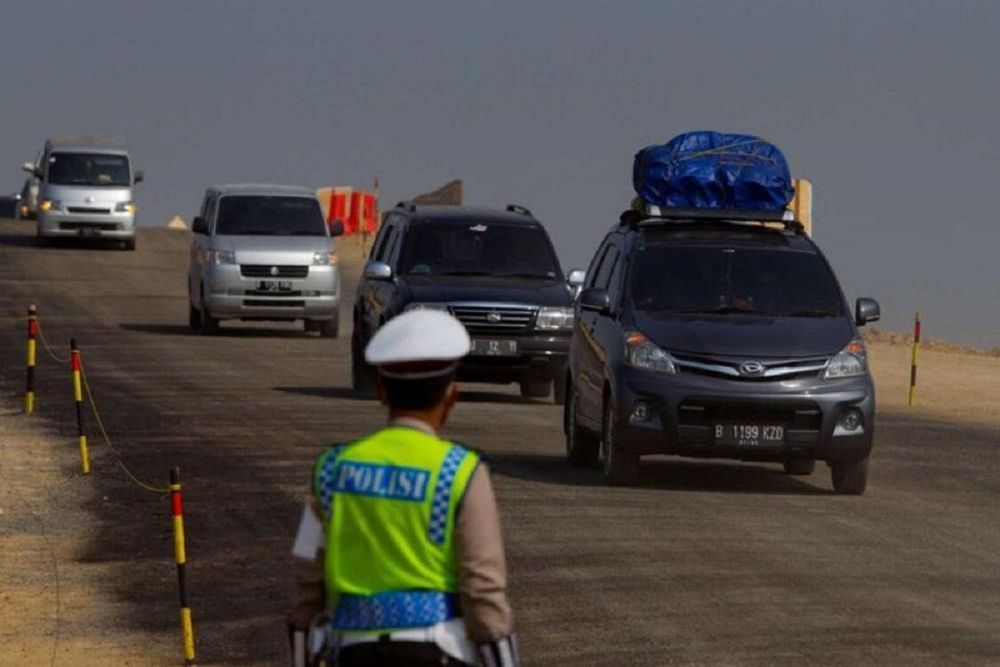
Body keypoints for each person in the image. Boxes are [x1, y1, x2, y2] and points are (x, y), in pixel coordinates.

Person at [288, 310, 519, 667]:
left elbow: (307, 573)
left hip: (351, 652)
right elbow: (483, 590)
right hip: (434, 652)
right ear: (451, 395)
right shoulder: (461, 472)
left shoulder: (331, 470)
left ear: (382, 392)